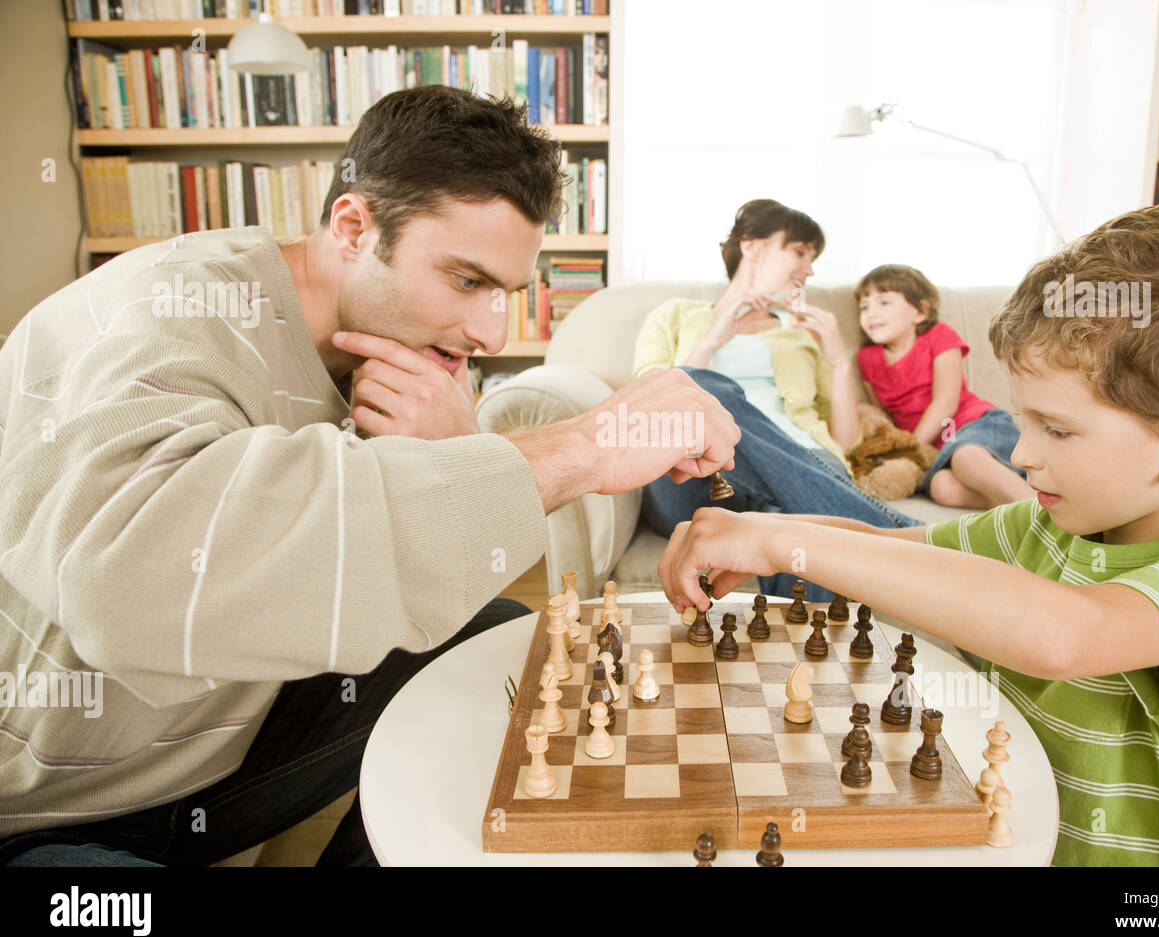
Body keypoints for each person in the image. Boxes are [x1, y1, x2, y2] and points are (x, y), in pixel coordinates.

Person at [0, 86, 739, 867]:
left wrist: (452, 461)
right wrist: (575, 448)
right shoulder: (165, 313)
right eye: (464, 280)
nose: (490, 331)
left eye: (504, 295)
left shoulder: (386, 354)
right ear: (353, 226)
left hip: (216, 763)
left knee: (493, 647)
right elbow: (127, 593)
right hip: (51, 804)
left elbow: (353, 551)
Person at [657, 201, 1159, 866]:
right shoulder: (1042, 524)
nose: (1021, 455)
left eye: (1056, 429)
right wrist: (764, 526)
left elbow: (1065, 635)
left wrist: (777, 547)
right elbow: (892, 549)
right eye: (1021, 421)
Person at [633, 199, 917, 601]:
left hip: (804, 470)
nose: (811, 268)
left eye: (814, 257)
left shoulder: (800, 333)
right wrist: (715, 336)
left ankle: (801, 660)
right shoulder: (675, 315)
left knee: (796, 531)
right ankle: (902, 536)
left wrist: (838, 361)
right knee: (702, 386)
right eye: (800, 251)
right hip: (697, 477)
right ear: (752, 246)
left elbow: (846, 440)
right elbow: (652, 409)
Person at [856, 264, 1034, 508]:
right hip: (941, 450)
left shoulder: (940, 336)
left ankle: (1038, 514)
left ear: (920, 311)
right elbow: (884, 417)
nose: (871, 313)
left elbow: (946, 403)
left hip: (977, 424)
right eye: (864, 307)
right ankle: (1020, 503)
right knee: (942, 488)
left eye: (884, 302)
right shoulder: (867, 358)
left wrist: (910, 447)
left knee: (966, 458)